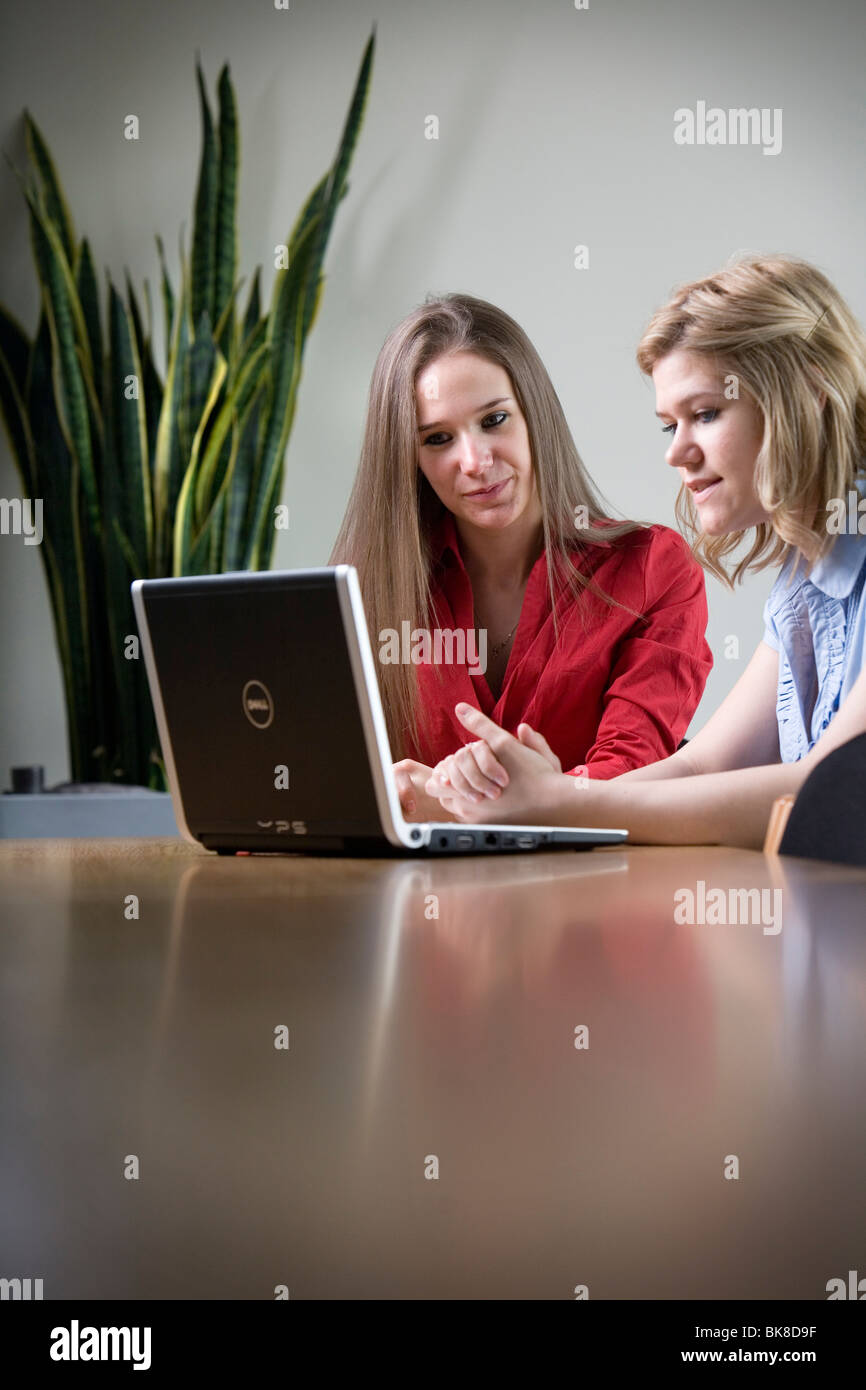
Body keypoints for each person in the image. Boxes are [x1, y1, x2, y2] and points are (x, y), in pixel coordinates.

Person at [422, 256, 866, 849]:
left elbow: (831, 791)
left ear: (809, 393)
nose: (676, 452)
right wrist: (552, 804)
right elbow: (702, 766)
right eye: (669, 425)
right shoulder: (805, 574)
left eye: (705, 414)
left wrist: (556, 802)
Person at [329, 294, 713, 821]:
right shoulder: (367, 594)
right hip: (416, 901)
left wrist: (451, 803)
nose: (475, 462)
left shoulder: (652, 568)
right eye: (438, 438)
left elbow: (630, 779)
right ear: (409, 459)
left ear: (535, 415)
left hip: (594, 897)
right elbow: (318, 789)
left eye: (494, 420)